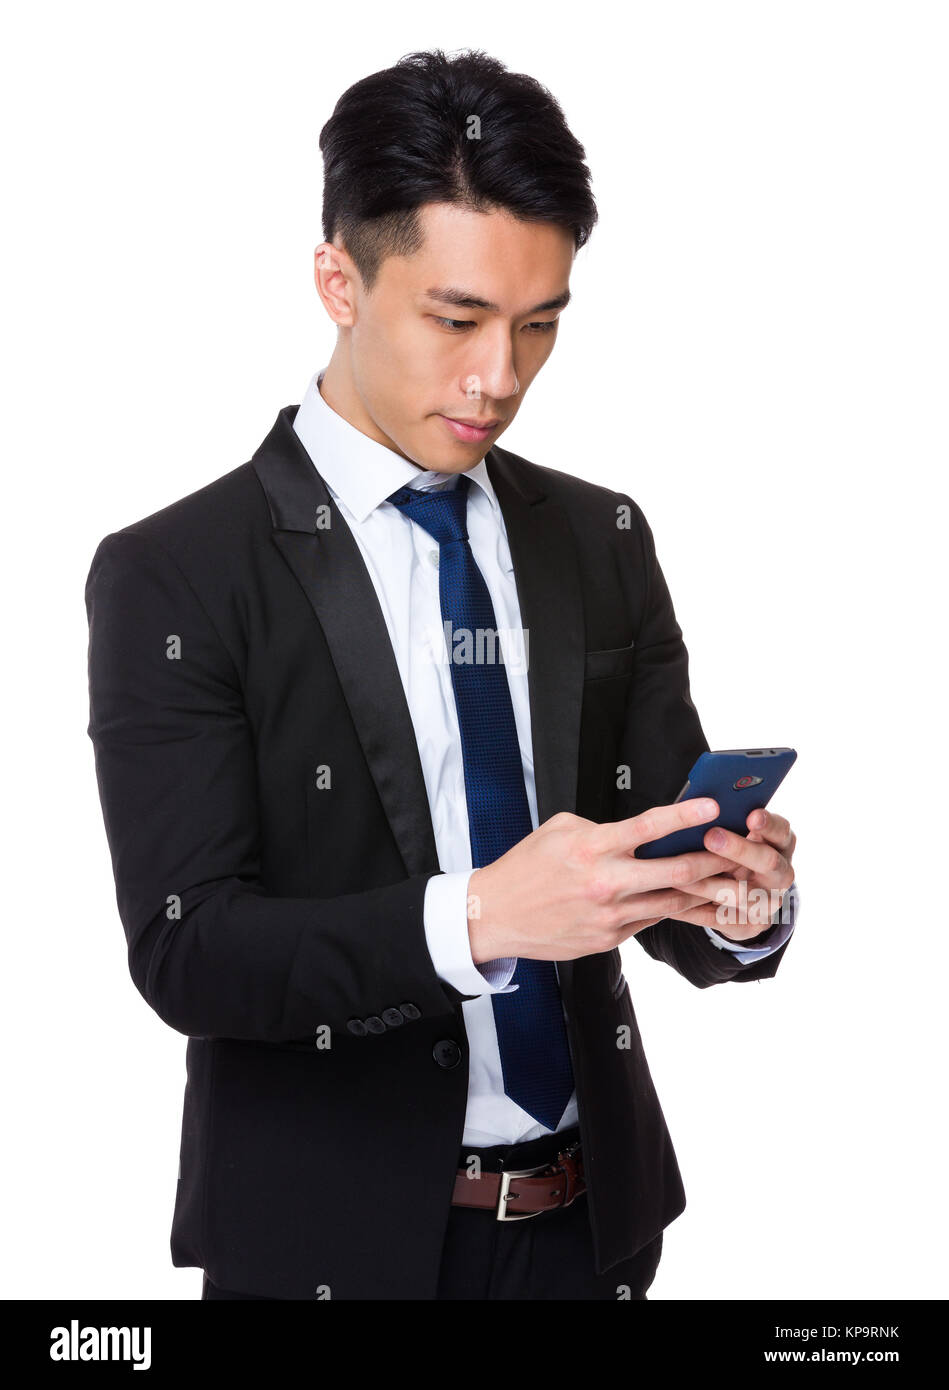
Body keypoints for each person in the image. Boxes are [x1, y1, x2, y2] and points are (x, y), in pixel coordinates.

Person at [84, 47, 798, 1302]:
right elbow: (186, 952)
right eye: (457, 320)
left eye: (539, 324)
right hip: (329, 1251)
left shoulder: (599, 537)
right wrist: (476, 919)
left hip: (597, 1231)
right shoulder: (178, 573)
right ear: (338, 281)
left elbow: (650, 864)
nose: (500, 378)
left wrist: (733, 903)